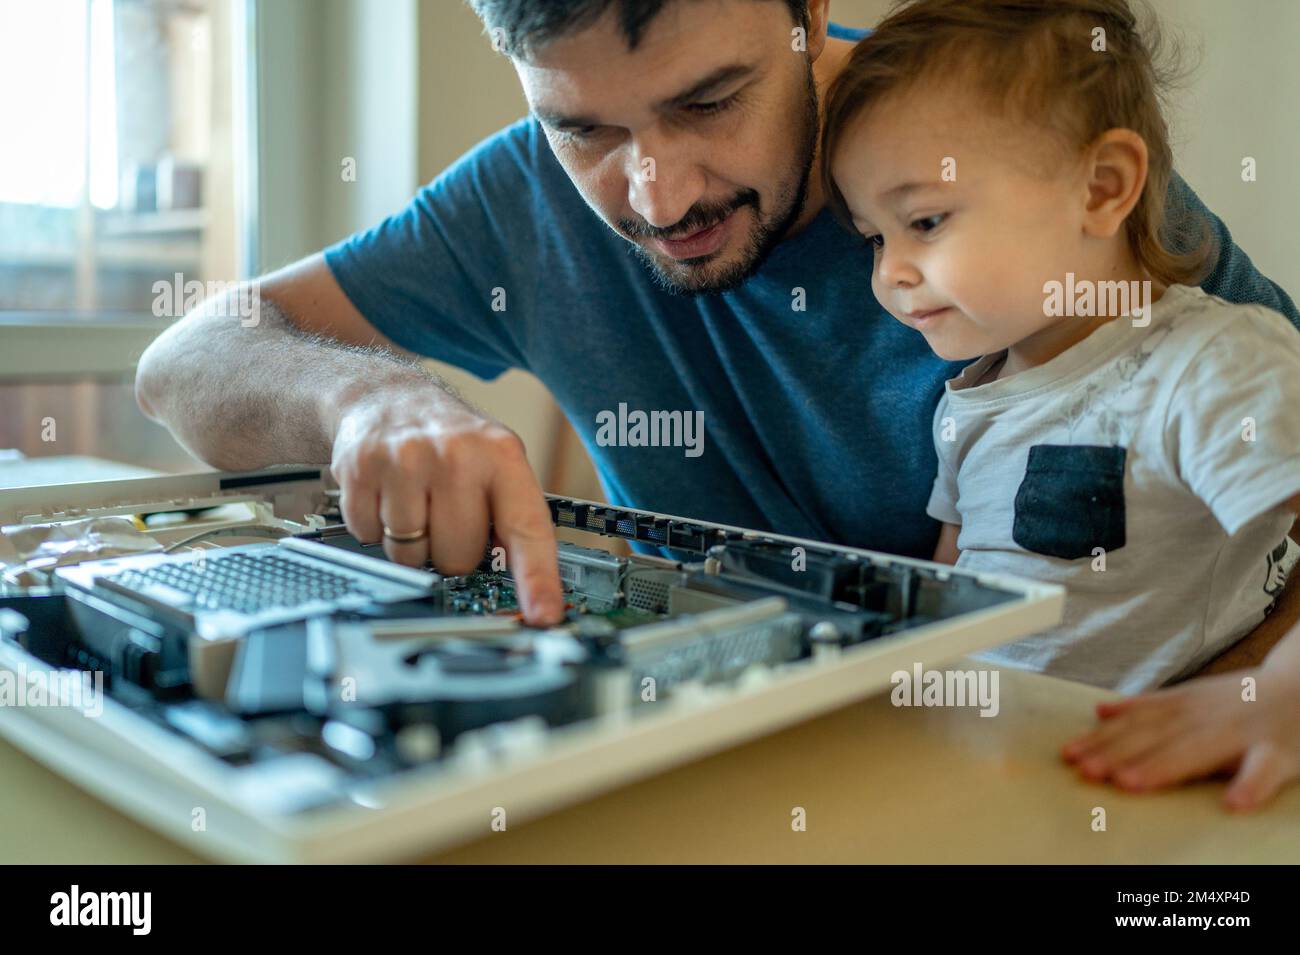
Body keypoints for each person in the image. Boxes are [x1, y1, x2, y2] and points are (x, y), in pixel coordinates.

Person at [134, 0, 1297, 638]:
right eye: (583, 128)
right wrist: (367, 396)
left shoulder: (1000, 164)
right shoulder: (516, 199)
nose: (661, 195)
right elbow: (185, 361)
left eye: (712, 101)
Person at [821, 0, 1300, 806]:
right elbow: (947, 599)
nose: (889, 272)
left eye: (925, 220)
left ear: (1102, 188)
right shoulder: (971, 398)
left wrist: (1283, 702)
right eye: (875, 237)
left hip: (1144, 790)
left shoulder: (1212, 364)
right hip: (986, 776)